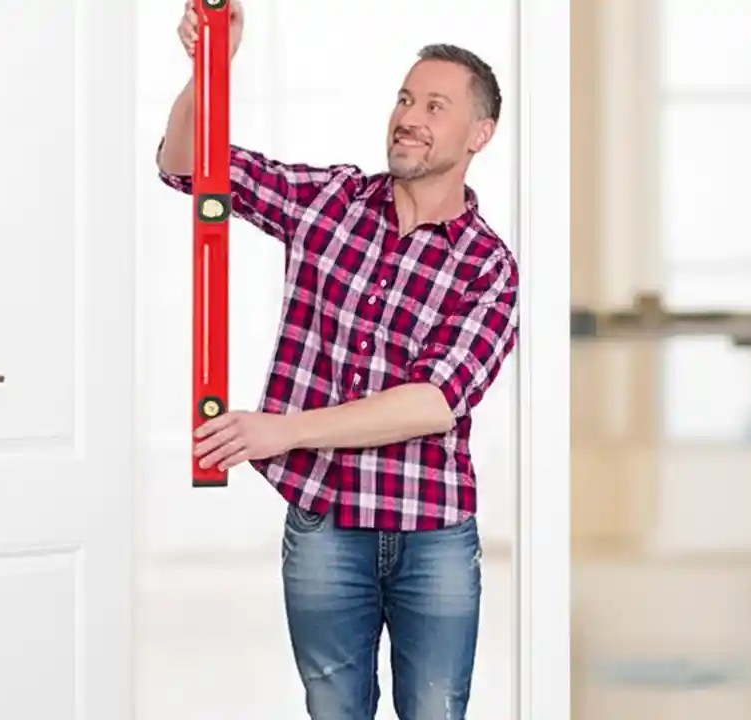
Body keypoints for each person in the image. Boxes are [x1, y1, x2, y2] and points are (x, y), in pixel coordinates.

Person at [157, 2, 518, 718]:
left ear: (480, 133)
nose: (409, 116)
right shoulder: (330, 202)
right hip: (325, 525)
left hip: (433, 532)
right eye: (406, 99)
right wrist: (210, 71)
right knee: (332, 711)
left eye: (435, 106)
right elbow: (185, 167)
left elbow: (434, 401)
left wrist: (283, 430)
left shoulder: (489, 267)